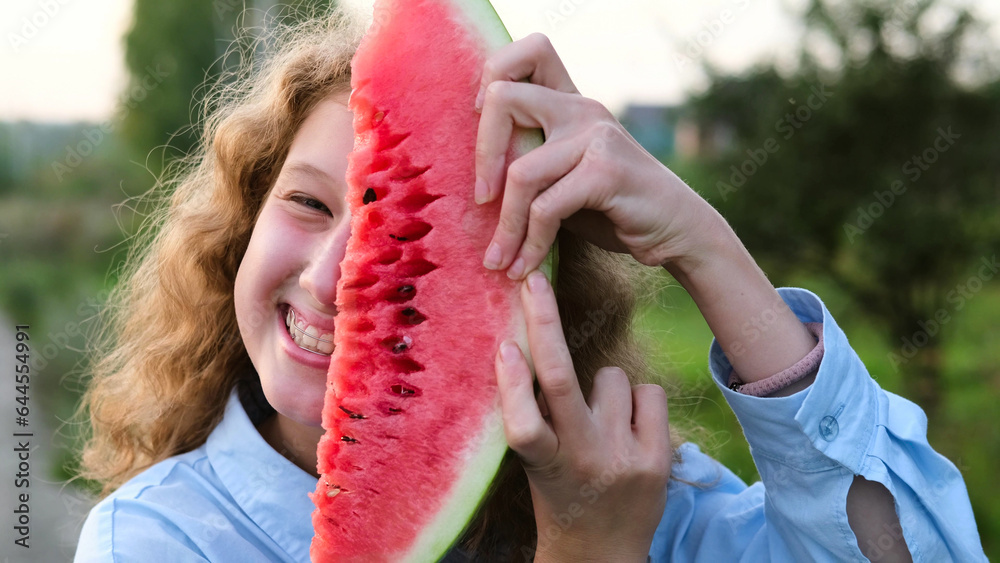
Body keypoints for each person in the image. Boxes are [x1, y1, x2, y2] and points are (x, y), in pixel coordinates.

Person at [73, 4, 986, 562]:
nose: (335, 278)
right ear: (239, 228)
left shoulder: (627, 485)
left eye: (409, 242)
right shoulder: (158, 541)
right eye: (307, 204)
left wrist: (705, 244)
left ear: (518, 277)